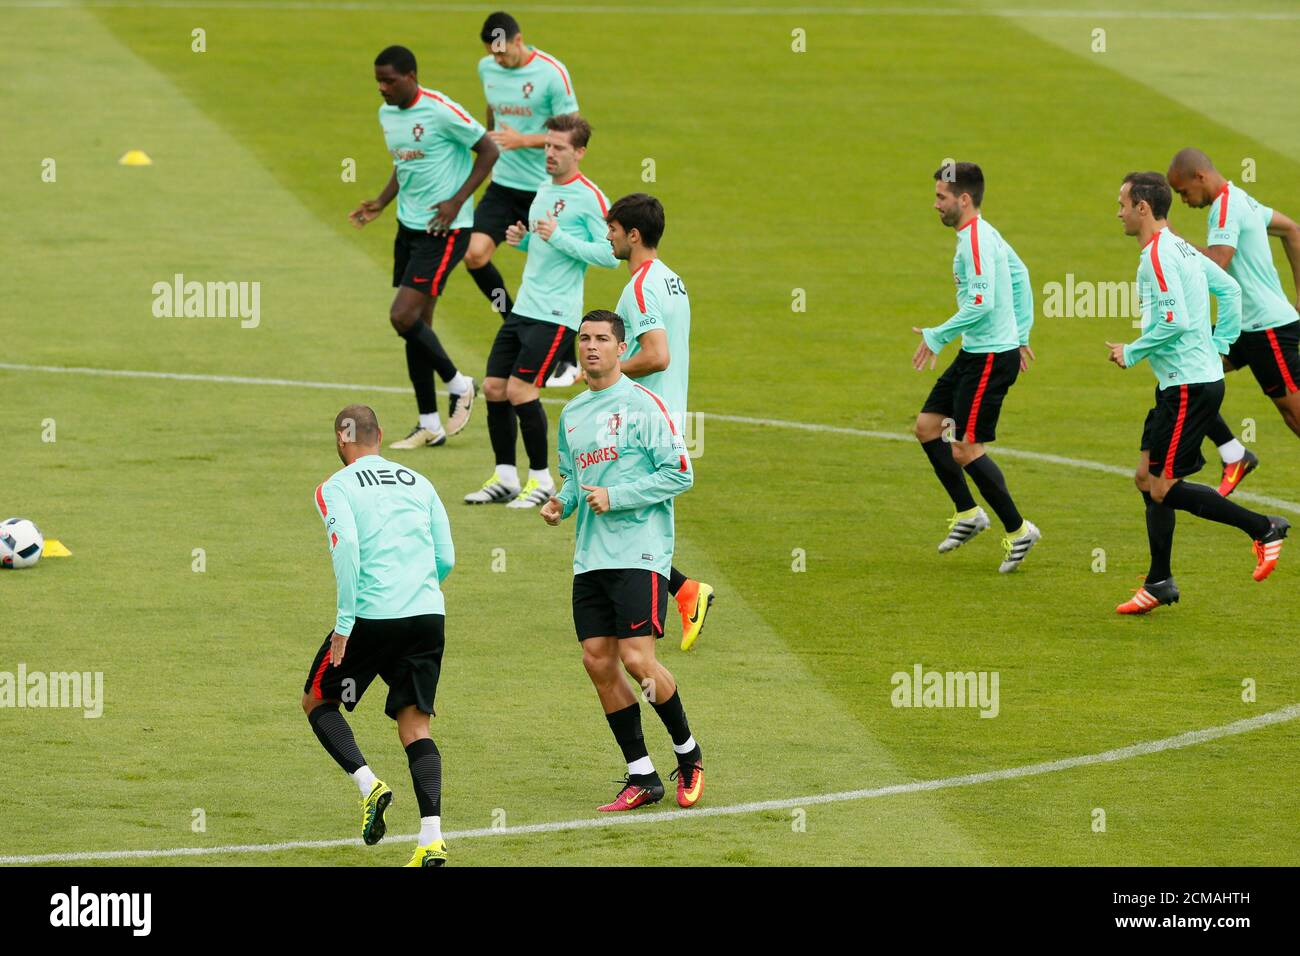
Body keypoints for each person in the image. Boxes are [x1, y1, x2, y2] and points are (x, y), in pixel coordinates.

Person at [540, 311, 705, 811]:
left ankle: (688, 754)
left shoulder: (642, 405)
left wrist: (618, 496)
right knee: (597, 661)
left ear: (620, 346)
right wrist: (560, 503)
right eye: (584, 339)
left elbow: (680, 474)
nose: (591, 347)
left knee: (638, 660)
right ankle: (642, 775)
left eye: (602, 340)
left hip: (641, 549)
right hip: (591, 558)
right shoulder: (571, 413)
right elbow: (572, 477)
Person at [1106, 172, 1287, 614]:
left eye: (1123, 204)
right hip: (1182, 382)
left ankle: (1264, 527)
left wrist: (1131, 351)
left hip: (1188, 387)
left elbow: (1175, 323)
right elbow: (1229, 289)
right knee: (1146, 478)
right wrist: (1221, 344)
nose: (1120, 212)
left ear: (1143, 208)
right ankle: (1160, 581)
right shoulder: (1181, 245)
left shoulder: (1157, 257)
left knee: (1165, 487)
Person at [301, 405, 456, 866]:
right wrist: (417, 590)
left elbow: (346, 545)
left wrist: (345, 623)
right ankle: (431, 837)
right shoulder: (419, 481)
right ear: (380, 436)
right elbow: (445, 554)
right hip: (427, 612)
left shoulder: (335, 487)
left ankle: (370, 784)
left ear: (341, 439)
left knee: (317, 700)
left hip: (371, 615)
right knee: (415, 725)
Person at [464, 114, 617, 508]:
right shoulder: (544, 189)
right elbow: (545, 246)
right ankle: (504, 477)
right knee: (495, 387)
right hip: (524, 308)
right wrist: (521, 241)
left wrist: (559, 236)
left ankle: (542, 480)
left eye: (558, 148)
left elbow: (609, 255)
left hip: (556, 313)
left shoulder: (590, 197)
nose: (549, 153)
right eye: (547, 145)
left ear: (579, 152)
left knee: (521, 389)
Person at [349, 45, 497, 449]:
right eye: (377, 80)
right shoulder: (387, 114)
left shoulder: (440, 109)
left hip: (445, 231)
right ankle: (430, 423)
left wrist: (457, 201)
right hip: (409, 228)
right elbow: (405, 163)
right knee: (418, 327)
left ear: (411, 76)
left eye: (389, 81)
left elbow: (489, 149)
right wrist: (381, 201)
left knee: (401, 317)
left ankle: (460, 384)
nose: (382, 88)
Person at [912, 162, 1040, 572]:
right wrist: (1021, 333)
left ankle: (1019, 531)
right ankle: (968, 513)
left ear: (963, 199)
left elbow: (981, 303)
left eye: (941, 197)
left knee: (966, 449)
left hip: (988, 358)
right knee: (928, 427)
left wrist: (938, 334)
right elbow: (1020, 275)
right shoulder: (983, 234)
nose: (935, 205)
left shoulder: (976, 242)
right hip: (978, 353)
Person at [606, 192, 714, 650]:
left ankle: (684, 594)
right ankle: (682, 591)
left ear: (633, 235)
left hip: (646, 421)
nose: (607, 237)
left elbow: (656, 355)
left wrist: (604, 371)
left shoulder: (640, 285)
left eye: (612, 229)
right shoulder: (673, 279)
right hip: (665, 414)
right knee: (629, 511)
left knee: (622, 510)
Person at [1166, 147, 1300, 495]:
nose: (1183, 200)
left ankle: (1234, 454)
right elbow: (1293, 230)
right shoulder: (1242, 199)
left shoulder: (1226, 208)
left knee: (1295, 415)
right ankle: (1234, 453)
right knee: (1184, 373)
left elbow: (1217, 263)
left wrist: (1172, 242)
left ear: (1200, 177)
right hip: (1243, 326)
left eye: (1183, 192)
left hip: (1266, 328)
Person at [464, 12, 583, 386]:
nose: (498, 61)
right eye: (493, 55)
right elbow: (494, 110)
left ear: (519, 41)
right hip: (503, 184)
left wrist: (524, 140)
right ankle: (511, 316)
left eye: (504, 54)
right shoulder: (487, 68)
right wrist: (490, 136)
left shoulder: (551, 73)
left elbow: (573, 130)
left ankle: (568, 358)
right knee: (474, 255)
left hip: (542, 189)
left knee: (549, 275)